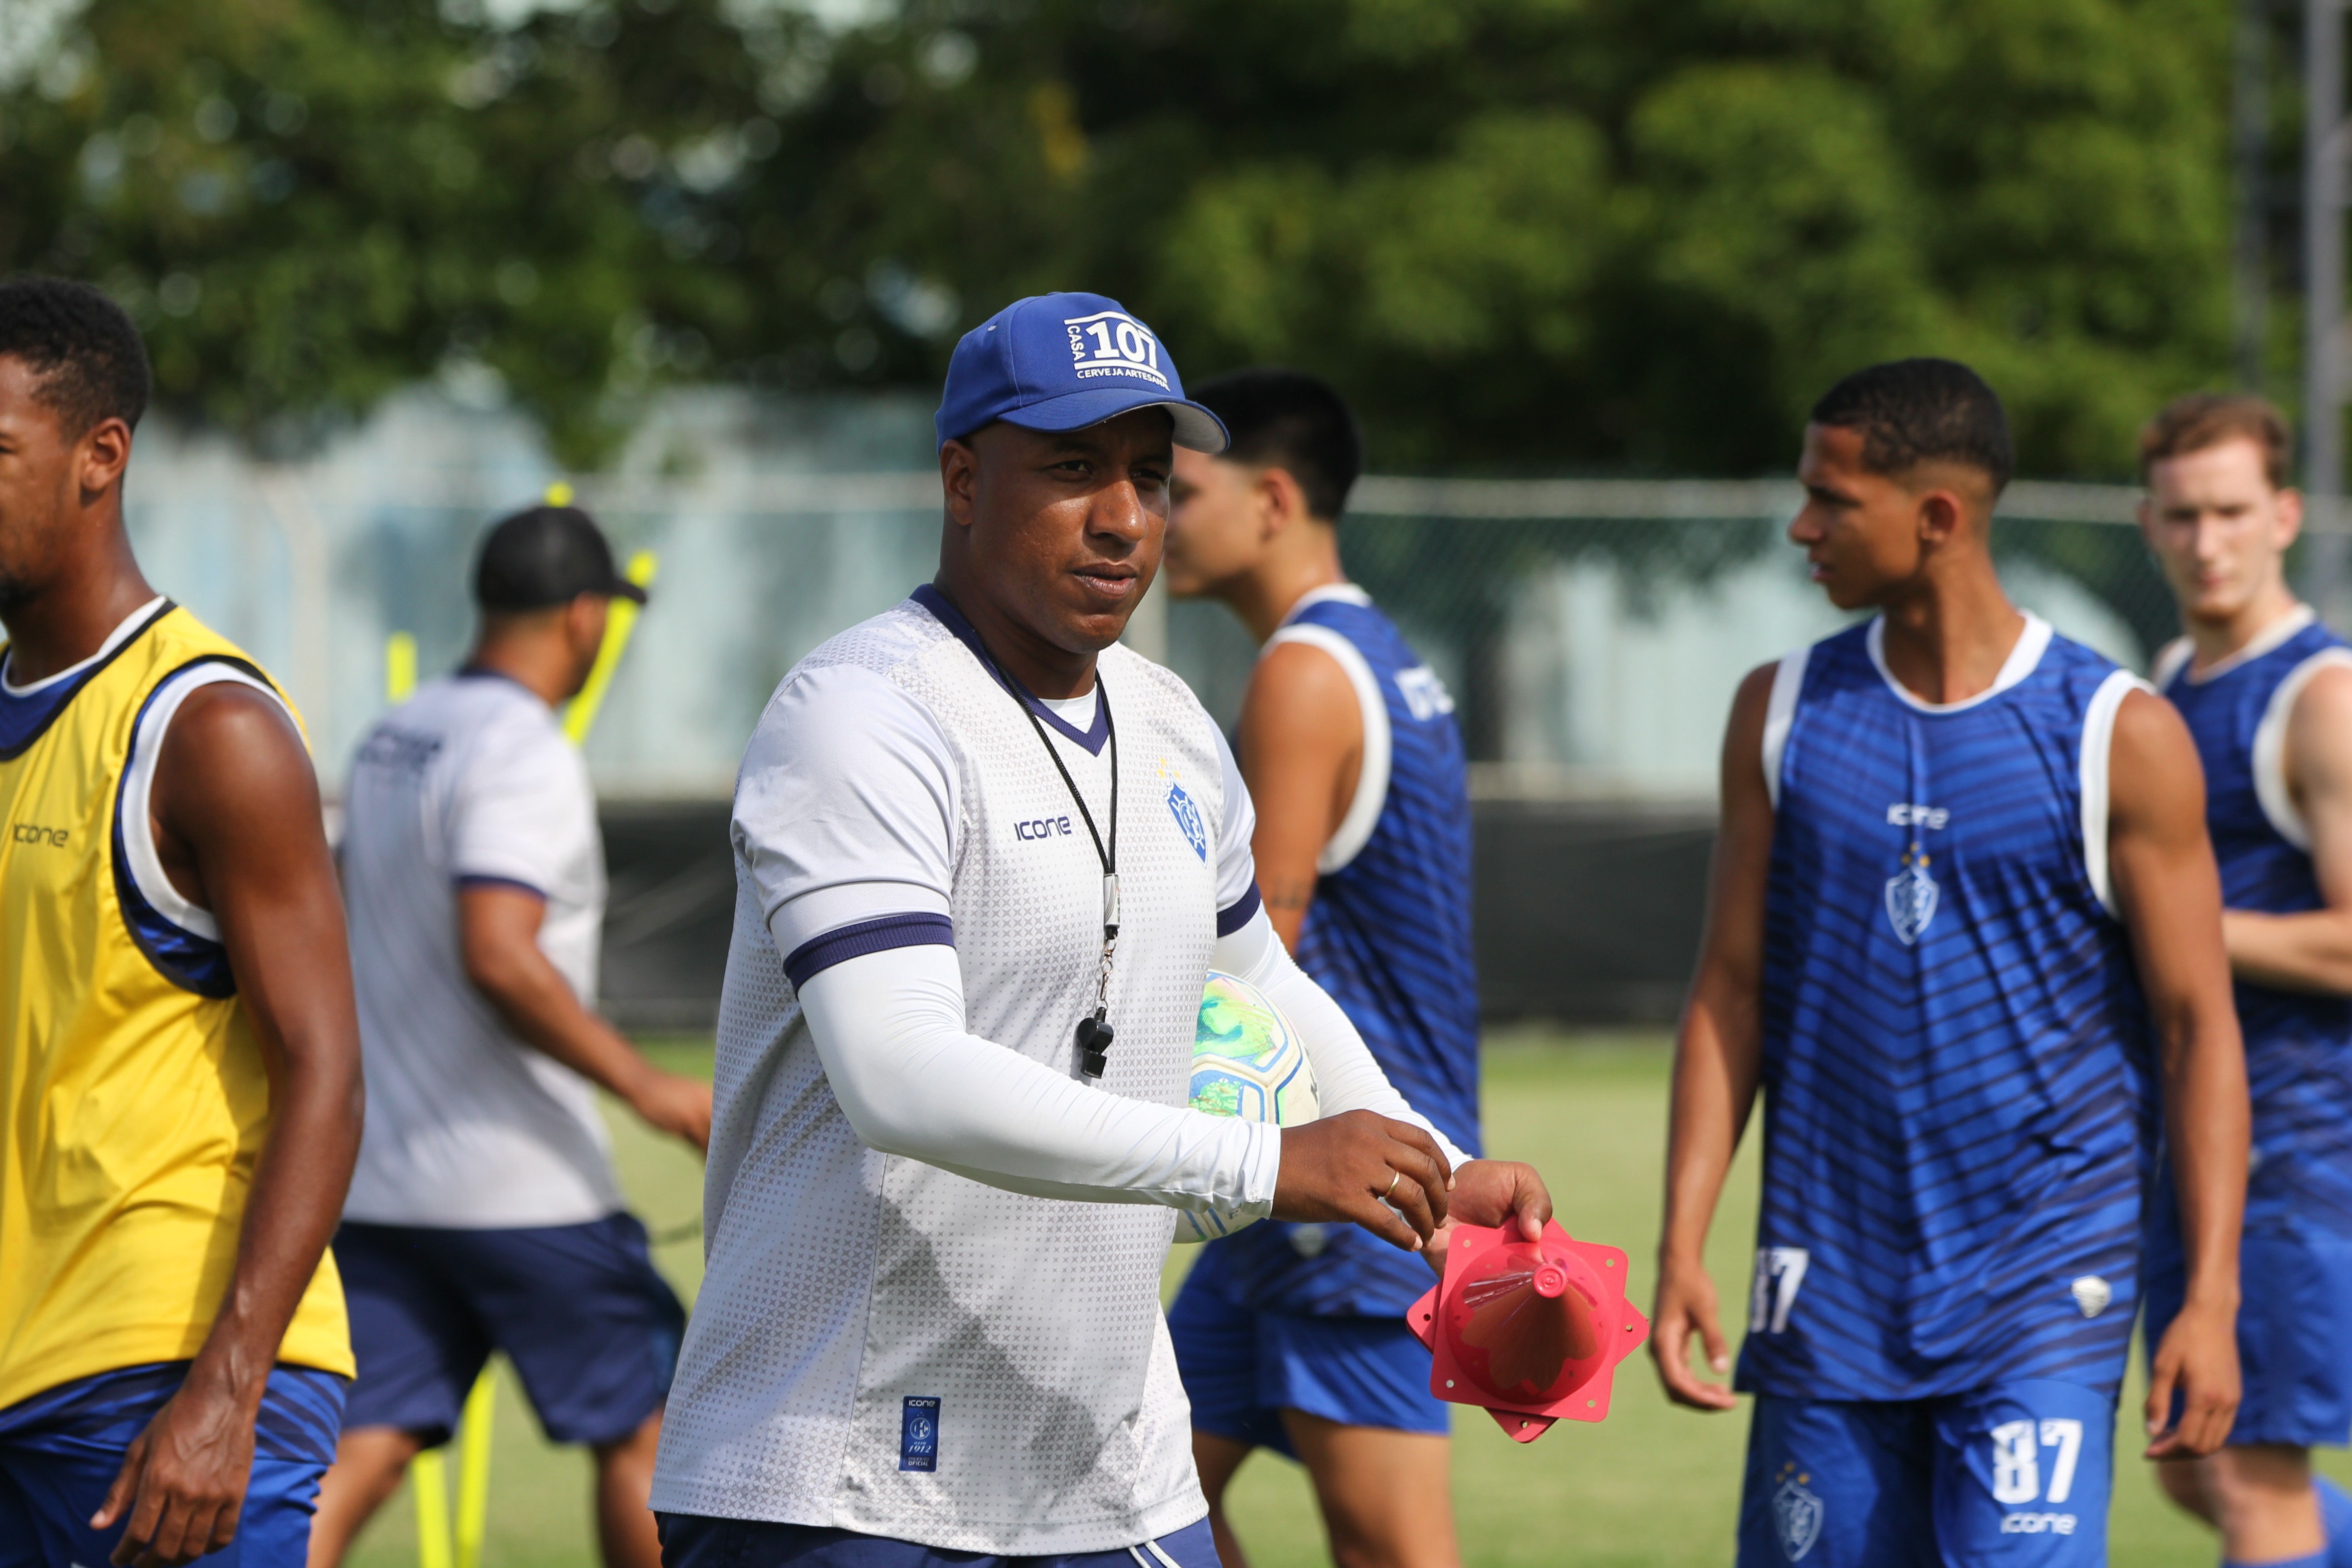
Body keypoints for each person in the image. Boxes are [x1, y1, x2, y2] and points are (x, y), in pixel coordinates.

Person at [646, 292, 1551, 1568]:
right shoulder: (863, 714)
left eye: (1149, 474)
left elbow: (1258, 981)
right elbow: (900, 1077)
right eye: (1073, 469)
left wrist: (1436, 1179)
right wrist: (1267, 1164)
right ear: (963, 479)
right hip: (841, 1478)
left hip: (1111, 1472)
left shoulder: (1174, 720)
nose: (1124, 515)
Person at [1651, 358, 2249, 1565]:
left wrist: (2213, 1295)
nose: (1800, 526)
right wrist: (1681, 1242)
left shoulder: (2115, 732)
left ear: (1936, 520)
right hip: (1828, 1289)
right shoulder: (1779, 712)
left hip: (2045, 1287)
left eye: (1832, 498)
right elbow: (1730, 993)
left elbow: (2197, 1028)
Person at [0, 275, 362, 1568]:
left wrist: (229, 1390)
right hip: (24, 1370)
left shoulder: (209, 730)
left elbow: (327, 1070)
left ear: (101, 457)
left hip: (162, 1375)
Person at [308, 505, 711, 1568]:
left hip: (386, 1181)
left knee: (365, 1447)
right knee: (655, 1435)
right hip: (523, 1188)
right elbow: (499, 950)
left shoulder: (396, 728)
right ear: (583, 617)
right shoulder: (525, 749)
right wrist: (647, 1086)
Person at [1158, 368, 1479, 1568]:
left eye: (1179, 489)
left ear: (1275, 498)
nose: (1151, 515)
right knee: (1129, 1500)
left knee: (1393, 1548)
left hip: (1356, 1188)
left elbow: (1255, 962)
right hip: (1291, 1187)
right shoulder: (1378, 649)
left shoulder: (1302, 676)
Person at [2138, 393, 2352, 1568]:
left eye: (2230, 512)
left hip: (2297, 1144)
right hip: (2193, 1137)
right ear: (2148, 523)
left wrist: (2178, 928)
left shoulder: (2322, 698)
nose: (2207, 541)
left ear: (2283, 515)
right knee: (2191, 1463)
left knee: (2260, 1480)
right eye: (2182, 517)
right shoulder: (2174, 676)